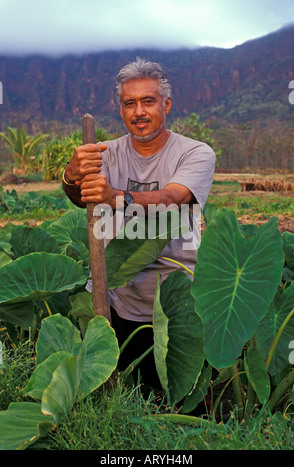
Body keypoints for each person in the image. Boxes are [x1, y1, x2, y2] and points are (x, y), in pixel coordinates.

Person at [62, 57, 216, 390]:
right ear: (121, 110)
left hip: (179, 303)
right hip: (116, 297)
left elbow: (176, 198)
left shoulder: (196, 153)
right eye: (129, 103)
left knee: (172, 394)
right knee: (119, 396)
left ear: (167, 104)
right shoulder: (106, 152)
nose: (139, 111)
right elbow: (81, 197)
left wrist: (117, 197)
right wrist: (71, 176)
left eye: (148, 101)